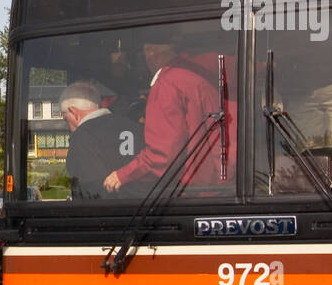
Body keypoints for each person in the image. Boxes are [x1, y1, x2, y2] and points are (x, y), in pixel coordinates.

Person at [104, 42, 232, 194]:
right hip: (223, 182)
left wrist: (123, 175)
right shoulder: (199, 72)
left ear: (150, 50)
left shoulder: (167, 83)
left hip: (194, 191)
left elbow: (163, 154)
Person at [60, 80, 142, 200]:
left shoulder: (81, 137)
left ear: (73, 112)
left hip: (107, 214)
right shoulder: (135, 128)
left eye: (65, 119)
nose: (68, 126)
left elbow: (90, 192)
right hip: (145, 209)